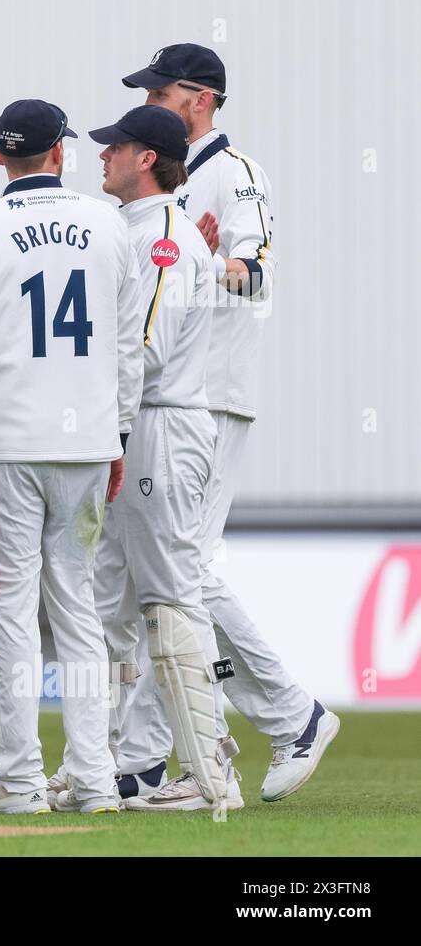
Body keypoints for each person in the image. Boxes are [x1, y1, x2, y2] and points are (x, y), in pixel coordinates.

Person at [123, 43, 337, 805]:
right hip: (167, 400)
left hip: (208, 398)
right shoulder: (167, 181)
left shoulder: (235, 172)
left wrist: (205, 263)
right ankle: (146, 758)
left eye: (160, 90)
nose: (150, 99)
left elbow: (259, 275)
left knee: (183, 576)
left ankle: (292, 717)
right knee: (155, 580)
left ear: (201, 98)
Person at [0, 100, 141, 815]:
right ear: (60, 151)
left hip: (3, 442)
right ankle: (95, 779)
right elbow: (128, 346)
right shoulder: (108, 224)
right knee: (79, 613)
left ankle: (23, 781)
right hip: (87, 441)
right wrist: (118, 434)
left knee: (10, 615)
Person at [86, 105, 238, 812]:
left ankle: (213, 771)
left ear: (147, 157)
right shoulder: (139, 230)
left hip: (155, 429)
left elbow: (141, 353)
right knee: (110, 601)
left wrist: (96, 423)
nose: (102, 156)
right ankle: (124, 763)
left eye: (113, 147)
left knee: (173, 600)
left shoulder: (167, 238)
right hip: (132, 428)